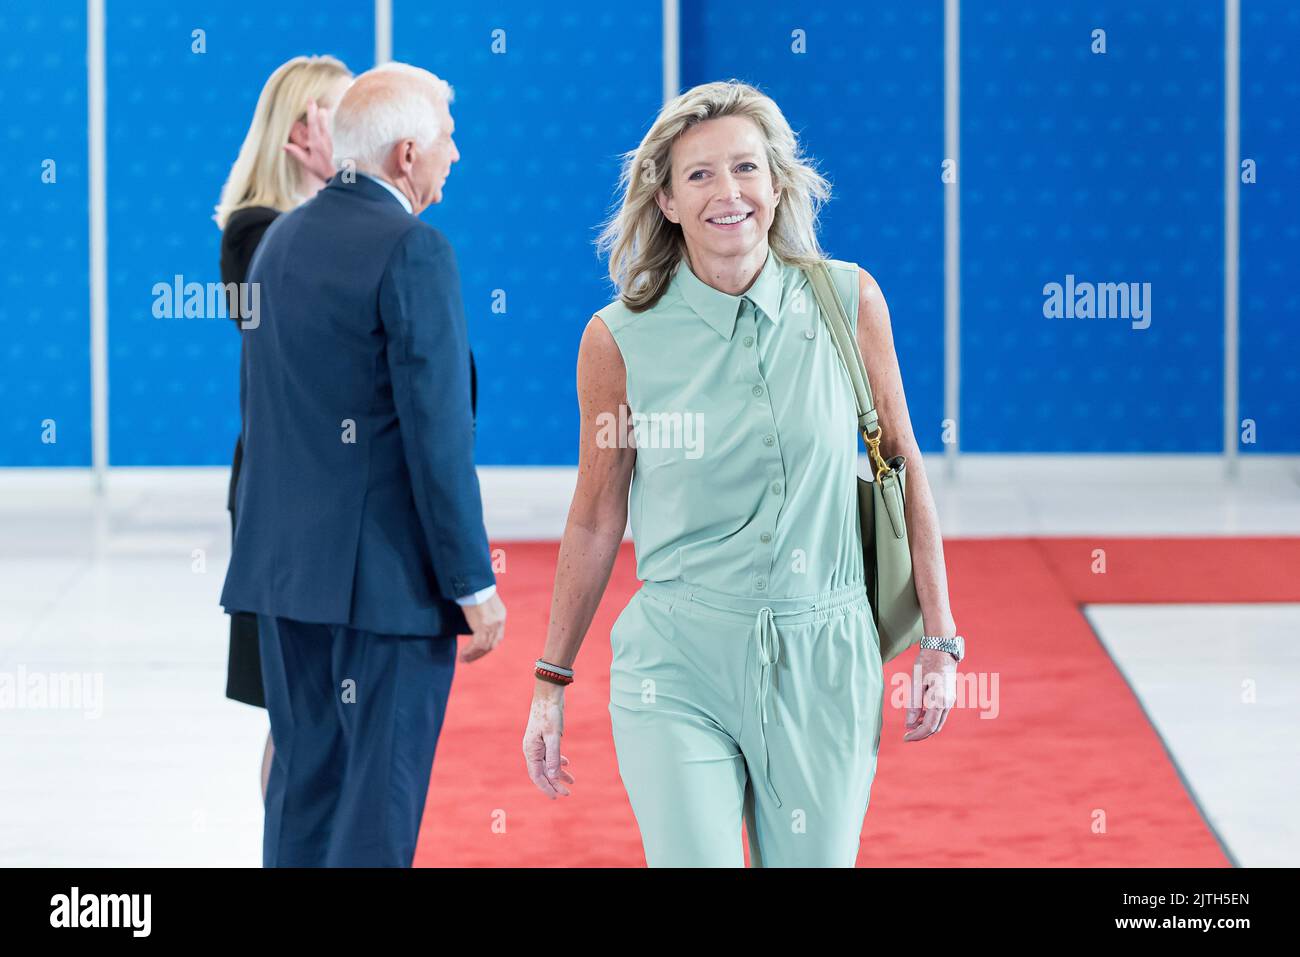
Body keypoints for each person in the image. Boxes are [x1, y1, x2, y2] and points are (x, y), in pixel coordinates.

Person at [521, 80, 962, 867]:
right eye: (699, 175)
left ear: (778, 183)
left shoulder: (849, 300)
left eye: (747, 168)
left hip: (827, 655)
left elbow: (902, 462)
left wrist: (940, 638)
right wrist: (551, 678)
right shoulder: (619, 340)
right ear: (665, 201)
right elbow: (595, 515)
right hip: (677, 665)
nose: (729, 192)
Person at [219, 62, 506, 867]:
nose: (458, 153)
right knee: (376, 817)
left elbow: (267, 415)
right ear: (407, 155)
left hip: (285, 581)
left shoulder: (277, 240)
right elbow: (436, 434)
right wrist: (473, 585)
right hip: (386, 591)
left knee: (304, 804)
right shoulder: (414, 248)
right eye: (449, 139)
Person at [213, 54, 353, 801]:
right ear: (304, 126)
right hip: (286, 496)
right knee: (299, 714)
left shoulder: (332, 215)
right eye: (343, 109)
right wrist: (342, 189)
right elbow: (301, 323)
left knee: (334, 707)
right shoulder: (254, 231)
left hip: (336, 491)